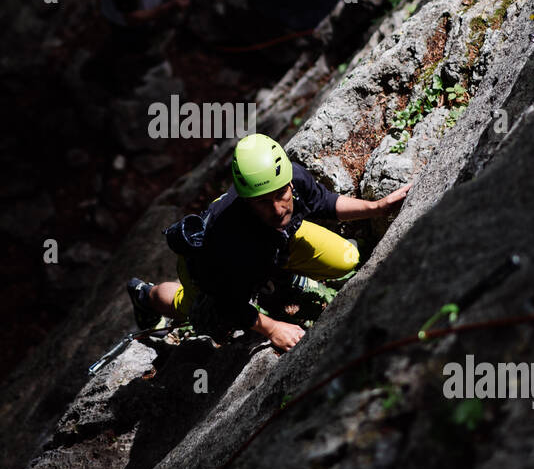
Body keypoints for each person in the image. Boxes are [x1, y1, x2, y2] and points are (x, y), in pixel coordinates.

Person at [128, 134, 411, 352]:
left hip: (275, 246)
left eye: (281, 195)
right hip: (212, 271)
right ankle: (144, 295)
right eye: (263, 203)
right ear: (246, 200)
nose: (277, 209)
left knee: (346, 259)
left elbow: (326, 203)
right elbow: (229, 304)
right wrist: (273, 328)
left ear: (288, 183)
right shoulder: (227, 239)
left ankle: (278, 280)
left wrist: (377, 207)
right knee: (191, 309)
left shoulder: (292, 177)